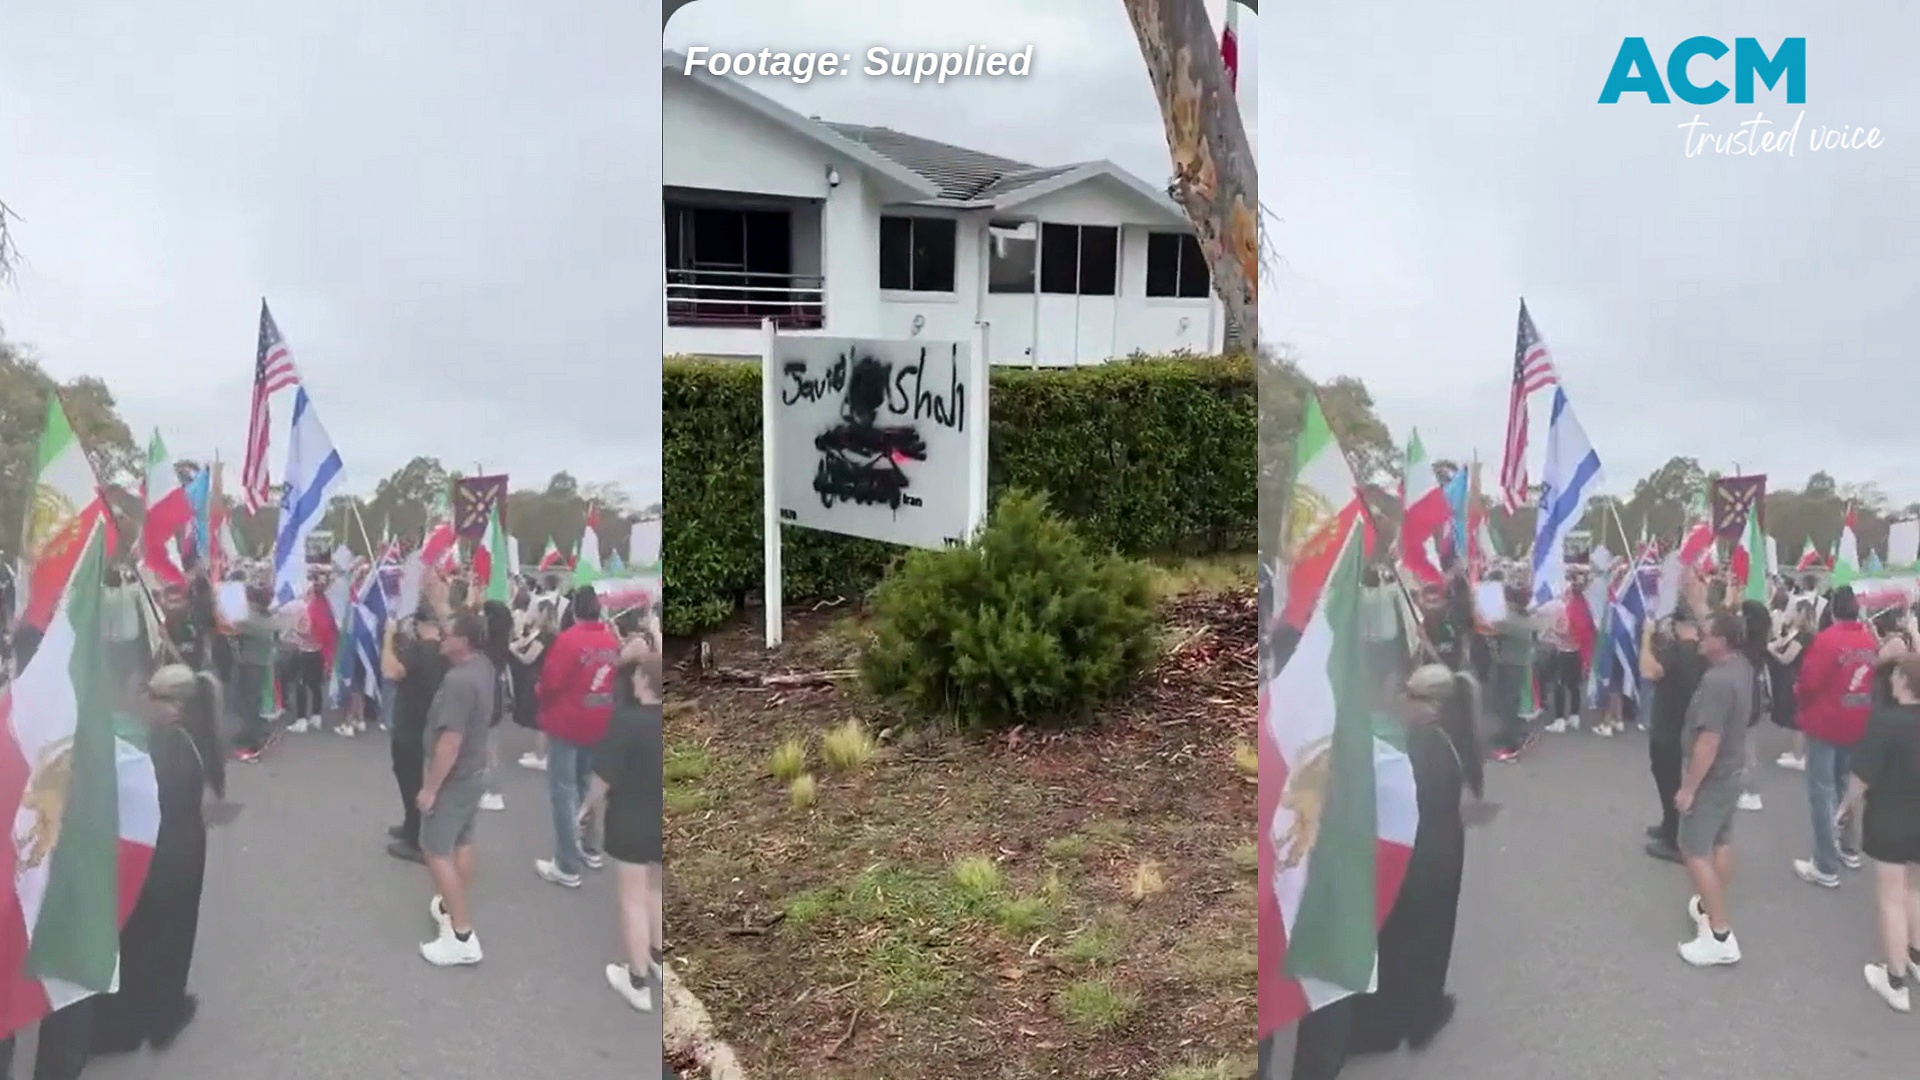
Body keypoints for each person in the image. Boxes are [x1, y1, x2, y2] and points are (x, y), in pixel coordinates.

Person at [1344, 664, 1480, 1055]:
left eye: (1411, 696)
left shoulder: (1428, 746)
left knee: (1401, 939)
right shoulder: (1444, 737)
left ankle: (1393, 1023)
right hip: (1441, 850)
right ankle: (1420, 1013)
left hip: (1420, 853)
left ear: (1432, 706)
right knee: (1426, 939)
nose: (1403, 701)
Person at [91, 663, 225, 1055]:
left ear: (175, 707)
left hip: (161, 855)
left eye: (153, 695)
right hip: (184, 850)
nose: (144, 700)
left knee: (140, 943)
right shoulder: (191, 738)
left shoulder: (168, 745)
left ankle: (127, 1028)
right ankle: (164, 1014)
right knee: (172, 940)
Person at [581, 630, 665, 1011]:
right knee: (655, 890)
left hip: (630, 819)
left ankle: (636, 979)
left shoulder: (627, 722)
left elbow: (603, 777)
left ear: (643, 681)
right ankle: (657, 957)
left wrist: (586, 808)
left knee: (632, 899)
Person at [1838, 651, 1920, 1011]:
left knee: (1891, 898)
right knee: (1915, 888)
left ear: (1904, 682)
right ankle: (1915, 954)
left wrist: (1845, 807)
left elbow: (1862, 776)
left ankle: (1895, 980)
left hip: (1890, 818)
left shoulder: (1886, 722)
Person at [418, 610, 500, 967]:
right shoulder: (484, 666)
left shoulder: (459, 682)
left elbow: (450, 742)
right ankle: (451, 907)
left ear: (462, 642)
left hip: (455, 776)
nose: (441, 636)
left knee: (435, 849)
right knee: (463, 841)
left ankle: (462, 935)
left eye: (447, 633)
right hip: (473, 771)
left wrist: (430, 789)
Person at [1675, 610, 1753, 967]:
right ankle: (1709, 909)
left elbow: (1709, 740)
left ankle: (1720, 935)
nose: (1698, 637)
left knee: (1693, 849)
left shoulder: (1717, 681)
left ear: (1720, 642)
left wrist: (1689, 788)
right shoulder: (1741, 667)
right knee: (1720, 840)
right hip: (1731, 771)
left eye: (1704, 633)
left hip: (1714, 776)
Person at [534, 587, 622, 888]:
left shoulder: (569, 640)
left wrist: (542, 701)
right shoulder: (610, 641)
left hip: (568, 722)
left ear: (573, 611)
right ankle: (591, 847)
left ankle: (567, 864)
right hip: (600, 721)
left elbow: (550, 682)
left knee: (563, 792)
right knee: (589, 786)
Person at [1792, 586, 1877, 889]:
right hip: (1858, 720)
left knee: (1821, 792)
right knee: (1847, 786)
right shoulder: (1869, 640)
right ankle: (1849, 847)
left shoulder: (1827, 640)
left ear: (1832, 609)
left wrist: (1799, 698)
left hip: (1826, 722)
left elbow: (1809, 682)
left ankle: (1825, 864)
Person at [383, 609, 448, 864]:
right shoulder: (442, 652)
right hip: (427, 724)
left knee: (409, 778)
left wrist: (388, 638)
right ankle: (412, 825)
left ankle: (416, 838)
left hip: (410, 725)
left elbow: (390, 671)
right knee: (413, 777)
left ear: (420, 625)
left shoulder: (421, 650)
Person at [1642, 609, 1705, 864]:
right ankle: (1670, 825)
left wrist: (1645, 638)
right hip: (1685, 723)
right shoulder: (1700, 652)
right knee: (1672, 777)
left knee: (1667, 778)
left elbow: (1649, 671)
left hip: (1668, 725)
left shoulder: (1679, 651)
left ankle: (1674, 839)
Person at [230, 585, 279, 761]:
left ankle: (252, 746)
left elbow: (233, 626)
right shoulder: (265, 617)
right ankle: (256, 733)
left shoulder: (253, 620)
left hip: (252, 665)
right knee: (252, 702)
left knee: (248, 704)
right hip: (257, 663)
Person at [1488, 584, 1535, 760]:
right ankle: (1512, 734)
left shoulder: (1513, 620)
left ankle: (1510, 745)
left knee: (1507, 704)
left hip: (1511, 665)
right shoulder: (1522, 617)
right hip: (1514, 664)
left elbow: (1492, 626)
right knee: (1508, 702)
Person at [512, 599, 559, 770]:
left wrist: (513, 650)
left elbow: (528, 658)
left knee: (538, 718)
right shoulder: (548, 634)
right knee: (538, 715)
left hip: (537, 677)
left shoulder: (543, 636)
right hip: (541, 676)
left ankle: (540, 756)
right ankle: (538, 752)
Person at [1770, 599, 1816, 771]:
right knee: (1795, 716)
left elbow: (1786, 658)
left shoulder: (1802, 637)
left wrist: (1771, 650)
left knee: (1796, 718)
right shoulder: (1803, 635)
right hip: (1798, 677)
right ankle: (1796, 752)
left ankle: (1798, 756)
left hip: (1795, 678)